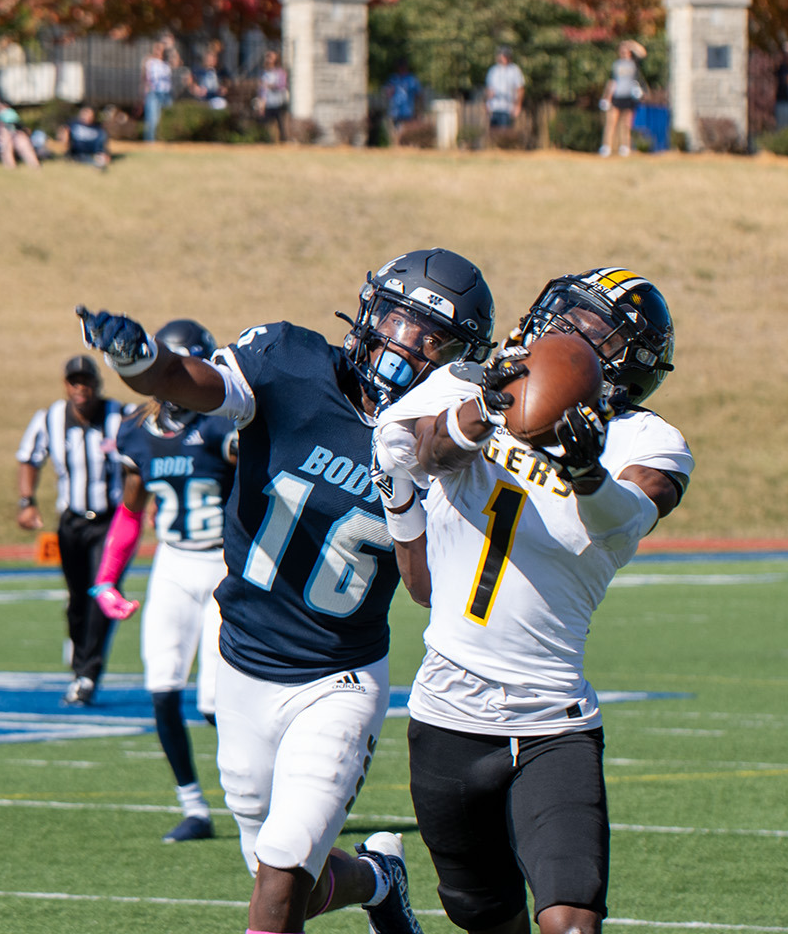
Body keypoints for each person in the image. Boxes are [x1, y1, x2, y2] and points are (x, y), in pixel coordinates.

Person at [79, 245, 497, 934]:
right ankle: (379, 880)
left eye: (433, 339)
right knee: (281, 876)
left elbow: (425, 588)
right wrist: (138, 359)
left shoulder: (444, 444)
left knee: (281, 871)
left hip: (339, 677)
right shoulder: (289, 363)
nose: (405, 346)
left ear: (460, 359)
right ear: (368, 312)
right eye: (398, 320)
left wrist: (406, 483)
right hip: (243, 659)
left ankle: (364, 880)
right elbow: (186, 381)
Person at [373, 267, 687, 934]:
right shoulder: (470, 381)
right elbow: (417, 448)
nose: (564, 334)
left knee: (572, 923)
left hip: (554, 720)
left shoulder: (645, 440)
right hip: (447, 712)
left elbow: (626, 518)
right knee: (485, 919)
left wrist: (586, 473)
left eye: (593, 332)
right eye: (564, 316)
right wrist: (485, 407)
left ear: (629, 367)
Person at [89, 320, 238, 843]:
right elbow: (131, 511)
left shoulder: (223, 427)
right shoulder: (137, 431)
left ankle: (262, 790)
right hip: (173, 564)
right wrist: (106, 579)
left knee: (217, 704)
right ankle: (193, 806)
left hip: (225, 567)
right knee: (161, 687)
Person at [17, 359, 128, 703]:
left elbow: (142, 460)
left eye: (86, 381)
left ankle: (88, 673)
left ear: (98, 383)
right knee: (77, 597)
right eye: (74, 382)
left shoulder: (120, 416)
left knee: (102, 592)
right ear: (66, 385)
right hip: (72, 520)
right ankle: (80, 658)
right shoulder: (50, 418)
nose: (81, 388)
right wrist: (27, 502)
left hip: (110, 521)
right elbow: (29, 458)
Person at [600, 41, 645, 158]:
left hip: (629, 96)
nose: (623, 53)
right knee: (611, 122)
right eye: (622, 50)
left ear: (629, 52)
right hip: (617, 96)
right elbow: (612, 82)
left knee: (626, 124)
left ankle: (625, 147)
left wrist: (632, 44)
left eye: (626, 51)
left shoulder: (634, 63)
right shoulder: (616, 64)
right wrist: (607, 97)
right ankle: (606, 147)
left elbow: (642, 53)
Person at [485, 49, 525, 131]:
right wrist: (487, 103)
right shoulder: (493, 70)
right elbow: (489, 89)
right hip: (494, 107)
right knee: (493, 133)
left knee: (504, 132)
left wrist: (518, 106)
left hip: (507, 108)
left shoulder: (514, 70)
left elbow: (520, 89)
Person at [142, 43, 174, 142]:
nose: (159, 51)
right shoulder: (150, 62)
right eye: (157, 49)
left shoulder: (166, 64)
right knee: (152, 120)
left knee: (167, 118)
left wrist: (171, 46)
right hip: (154, 93)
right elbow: (144, 78)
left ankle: (163, 140)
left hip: (166, 93)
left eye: (161, 49)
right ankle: (150, 141)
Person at [385, 62, 423, 141]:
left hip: (408, 111)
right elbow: (387, 93)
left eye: (403, 67)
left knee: (406, 133)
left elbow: (418, 95)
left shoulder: (412, 79)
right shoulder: (393, 79)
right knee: (396, 132)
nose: (401, 69)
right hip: (395, 111)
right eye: (400, 67)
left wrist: (418, 109)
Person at [258, 50, 290, 143]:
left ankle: (283, 142)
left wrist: (272, 86)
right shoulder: (263, 73)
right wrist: (261, 102)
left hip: (279, 102)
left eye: (271, 57)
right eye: (267, 57)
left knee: (281, 124)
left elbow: (283, 85)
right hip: (268, 102)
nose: (268, 59)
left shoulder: (280, 72)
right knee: (266, 124)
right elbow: (262, 90)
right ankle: (268, 141)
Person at [189, 41, 230, 110]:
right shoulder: (198, 70)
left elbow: (228, 82)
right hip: (202, 98)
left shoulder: (221, 71)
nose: (210, 60)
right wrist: (197, 89)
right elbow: (191, 82)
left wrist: (224, 88)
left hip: (216, 98)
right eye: (208, 58)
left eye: (212, 58)